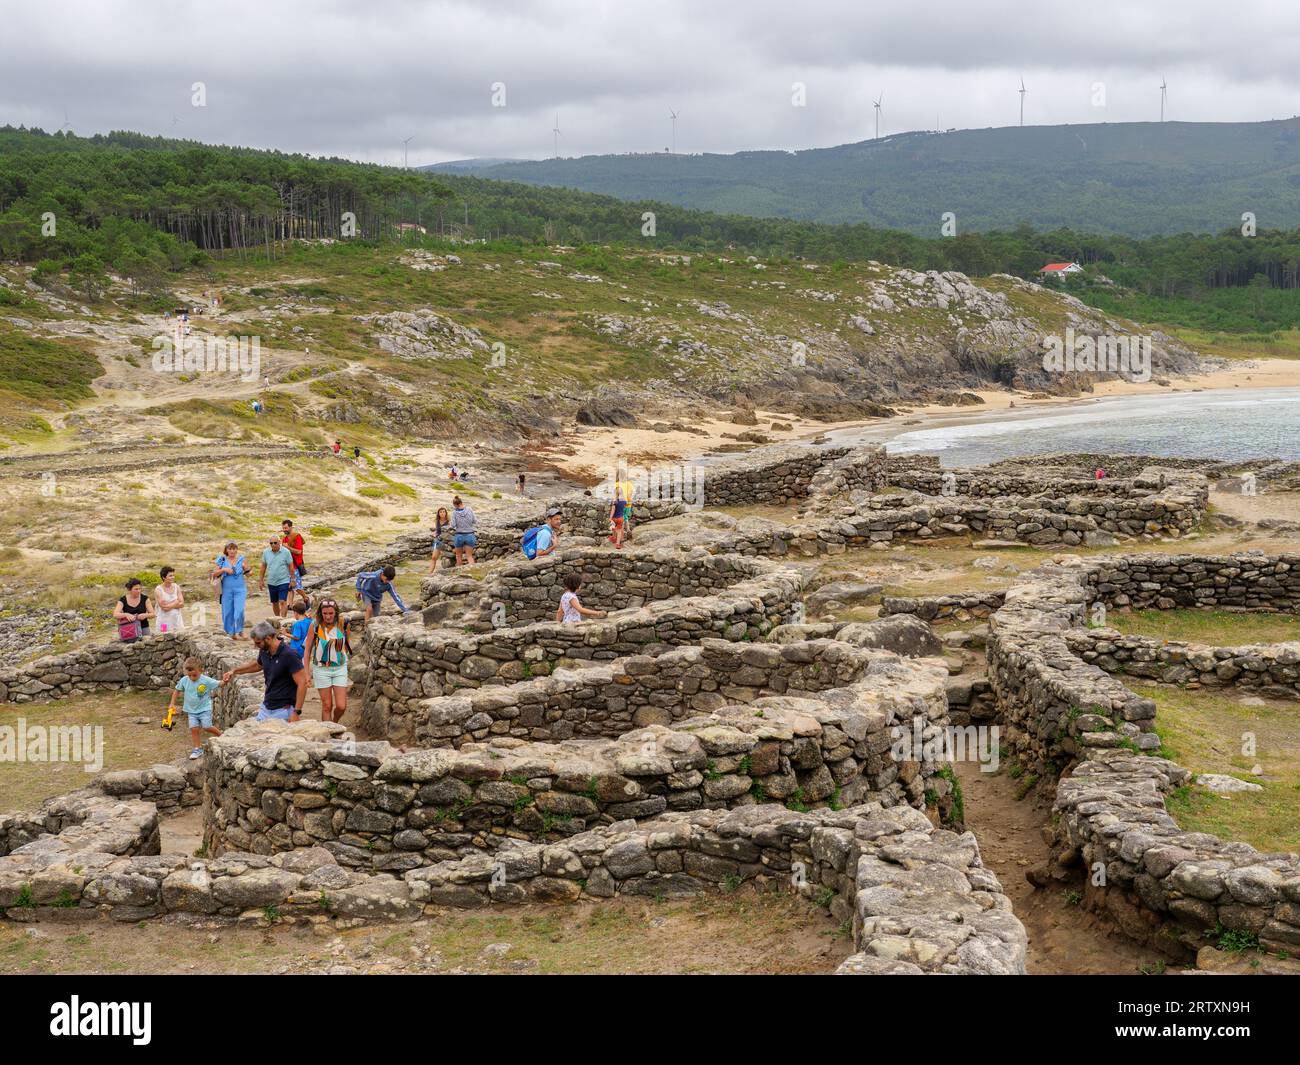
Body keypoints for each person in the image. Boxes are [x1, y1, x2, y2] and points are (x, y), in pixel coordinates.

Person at [220, 619, 308, 723]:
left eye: (258, 643)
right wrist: (234, 671)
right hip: (266, 707)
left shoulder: (289, 655)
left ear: (268, 638)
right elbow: (258, 665)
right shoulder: (265, 651)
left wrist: (296, 712)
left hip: (284, 710)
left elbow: (302, 683)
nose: (255, 646)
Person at [302, 598, 351, 723]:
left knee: (341, 706)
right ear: (320, 613)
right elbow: (307, 651)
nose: (328, 616)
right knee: (327, 706)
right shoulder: (314, 626)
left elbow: (346, 644)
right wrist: (307, 674)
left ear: (336, 612)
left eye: (330, 613)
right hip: (321, 669)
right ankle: (330, 734)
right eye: (325, 614)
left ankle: (334, 724)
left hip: (339, 667)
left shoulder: (343, 623)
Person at [168, 656, 221, 760]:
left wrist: (225, 680)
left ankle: (221, 735)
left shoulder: (206, 680)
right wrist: (172, 703)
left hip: (204, 709)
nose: (192, 677)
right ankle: (197, 748)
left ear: (200, 670)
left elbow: (219, 683)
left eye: (194, 675)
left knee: (206, 727)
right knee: (194, 729)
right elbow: (177, 691)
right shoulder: (184, 680)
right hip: (191, 710)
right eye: (189, 675)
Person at [213, 542, 250, 639]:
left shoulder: (241, 559)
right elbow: (214, 574)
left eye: (234, 549)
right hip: (226, 590)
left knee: (239, 610)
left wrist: (246, 569)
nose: (232, 551)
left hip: (240, 589)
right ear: (226, 550)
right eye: (230, 548)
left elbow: (249, 574)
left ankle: (240, 630)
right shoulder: (222, 560)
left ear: (237, 550)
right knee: (228, 611)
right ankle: (231, 632)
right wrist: (224, 569)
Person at [259, 536, 297, 618]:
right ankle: (277, 619)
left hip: (284, 580)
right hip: (271, 581)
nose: (273, 545)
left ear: (279, 542)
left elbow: (291, 566)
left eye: (275, 543)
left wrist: (293, 579)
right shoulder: (266, 552)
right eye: (271, 543)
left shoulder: (286, 552)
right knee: (275, 602)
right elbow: (263, 566)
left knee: (282, 601)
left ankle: (282, 620)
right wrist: (261, 580)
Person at [281, 519, 307, 607]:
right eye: (283, 528)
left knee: (297, 587)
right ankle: (290, 605)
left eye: (286, 528)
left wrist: (288, 547)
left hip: (295, 566)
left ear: (291, 527)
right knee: (289, 587)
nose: (284, 530)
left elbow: (299, 551)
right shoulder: (284, 539)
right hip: (286, 566)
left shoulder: (297, 537)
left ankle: (306, 598)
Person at [154, 566, 185, 632]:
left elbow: (182, 604)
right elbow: (164, 608)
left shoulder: (176, 587)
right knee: (163, 637)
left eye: (173, 575)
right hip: (163, 621)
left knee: (179, 639)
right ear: (164, 577)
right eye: (170, 576)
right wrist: (176, 602)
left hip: (177, 620)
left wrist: (170, 605)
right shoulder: (158, 590)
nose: (173, 577)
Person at [450, 495, 477, 566]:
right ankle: (473, 571)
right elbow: (474, 521)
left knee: (459, 556)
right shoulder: (469, 509)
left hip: (459, 535)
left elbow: (453, 525)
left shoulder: (454, 513)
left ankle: (459, 574)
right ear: (461, 502)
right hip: (470, 535)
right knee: (469, 556)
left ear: (455, 504)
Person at [428, 506, 450, 573]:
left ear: (446, 513)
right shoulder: (437, 521)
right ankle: (429, 573)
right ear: (438, 513)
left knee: (447, 558)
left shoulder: (449, 522)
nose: (442, 513)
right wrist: (435, 534)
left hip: (446, 542)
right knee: (433, 557)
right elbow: (437, 531)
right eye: (440, 512)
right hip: (437, 541)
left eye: (444, 512)